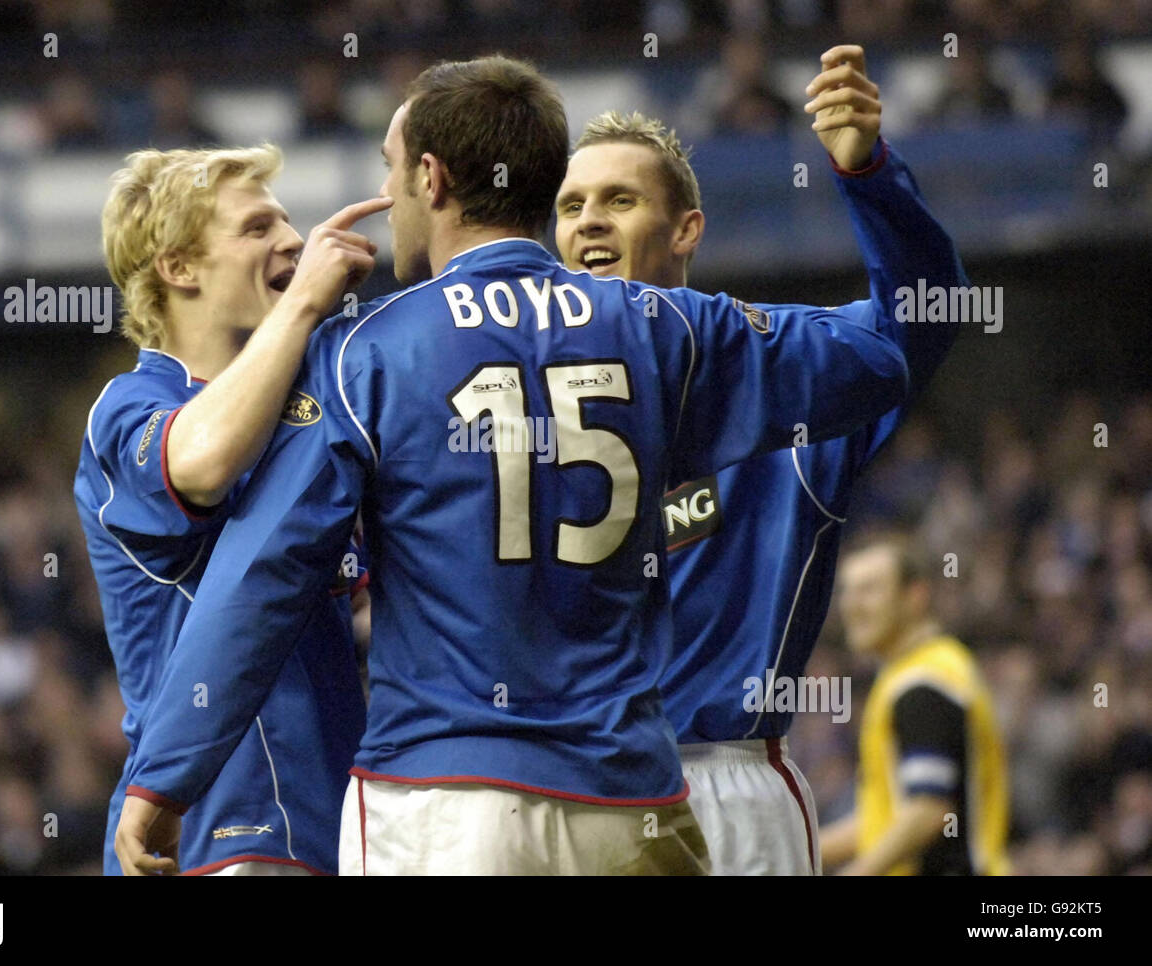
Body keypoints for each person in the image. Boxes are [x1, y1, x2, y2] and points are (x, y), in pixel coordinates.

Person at [117, 55, 910, 875]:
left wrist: (165, 779)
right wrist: (871, 175)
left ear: (431, 177)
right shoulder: (665, 327)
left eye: (393, 173)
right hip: (630, 800)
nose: (389, 199)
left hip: (441, 803)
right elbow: (892, 351)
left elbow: (263, 576)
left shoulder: (365, 354)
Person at [552, 45, 965, 874]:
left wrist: (870, 176)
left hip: (722, 791)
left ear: (686, 231)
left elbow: (918, 323)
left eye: (619, 200)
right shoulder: (511, 398)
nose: (588, 220)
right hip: (566, 791)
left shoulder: (778, 378)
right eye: (570, 205)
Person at [75, 143, 389, 875]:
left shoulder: (311, 414)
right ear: (179, 269)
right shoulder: (130, 408)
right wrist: (309, 301)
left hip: (333, 813)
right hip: (216, 823)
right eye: (256, 229)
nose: (292, 241)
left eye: (287, 223)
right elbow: (203, 462)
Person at [819, 533, 1010, 875]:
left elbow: (928, 809)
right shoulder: (910, 673)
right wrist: (797, 852)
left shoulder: (924, 682)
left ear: (915, 596)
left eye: (869, 590)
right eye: (846, 591)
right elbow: (887, 819)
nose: (851, 605)